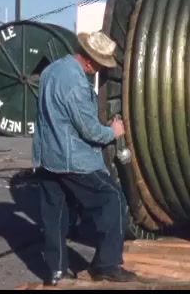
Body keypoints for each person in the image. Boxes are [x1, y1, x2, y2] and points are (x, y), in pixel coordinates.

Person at [31, 30, 137, 286]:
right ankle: (106, 265)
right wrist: (113, 131)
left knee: (55, 215)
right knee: (112, 200)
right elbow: (89, 130)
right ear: (90, 61)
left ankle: (57, 272)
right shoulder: (76, 83)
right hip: (73, 160)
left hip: (47, 156)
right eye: (100, 65)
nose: (99, 70)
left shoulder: (52, 70)